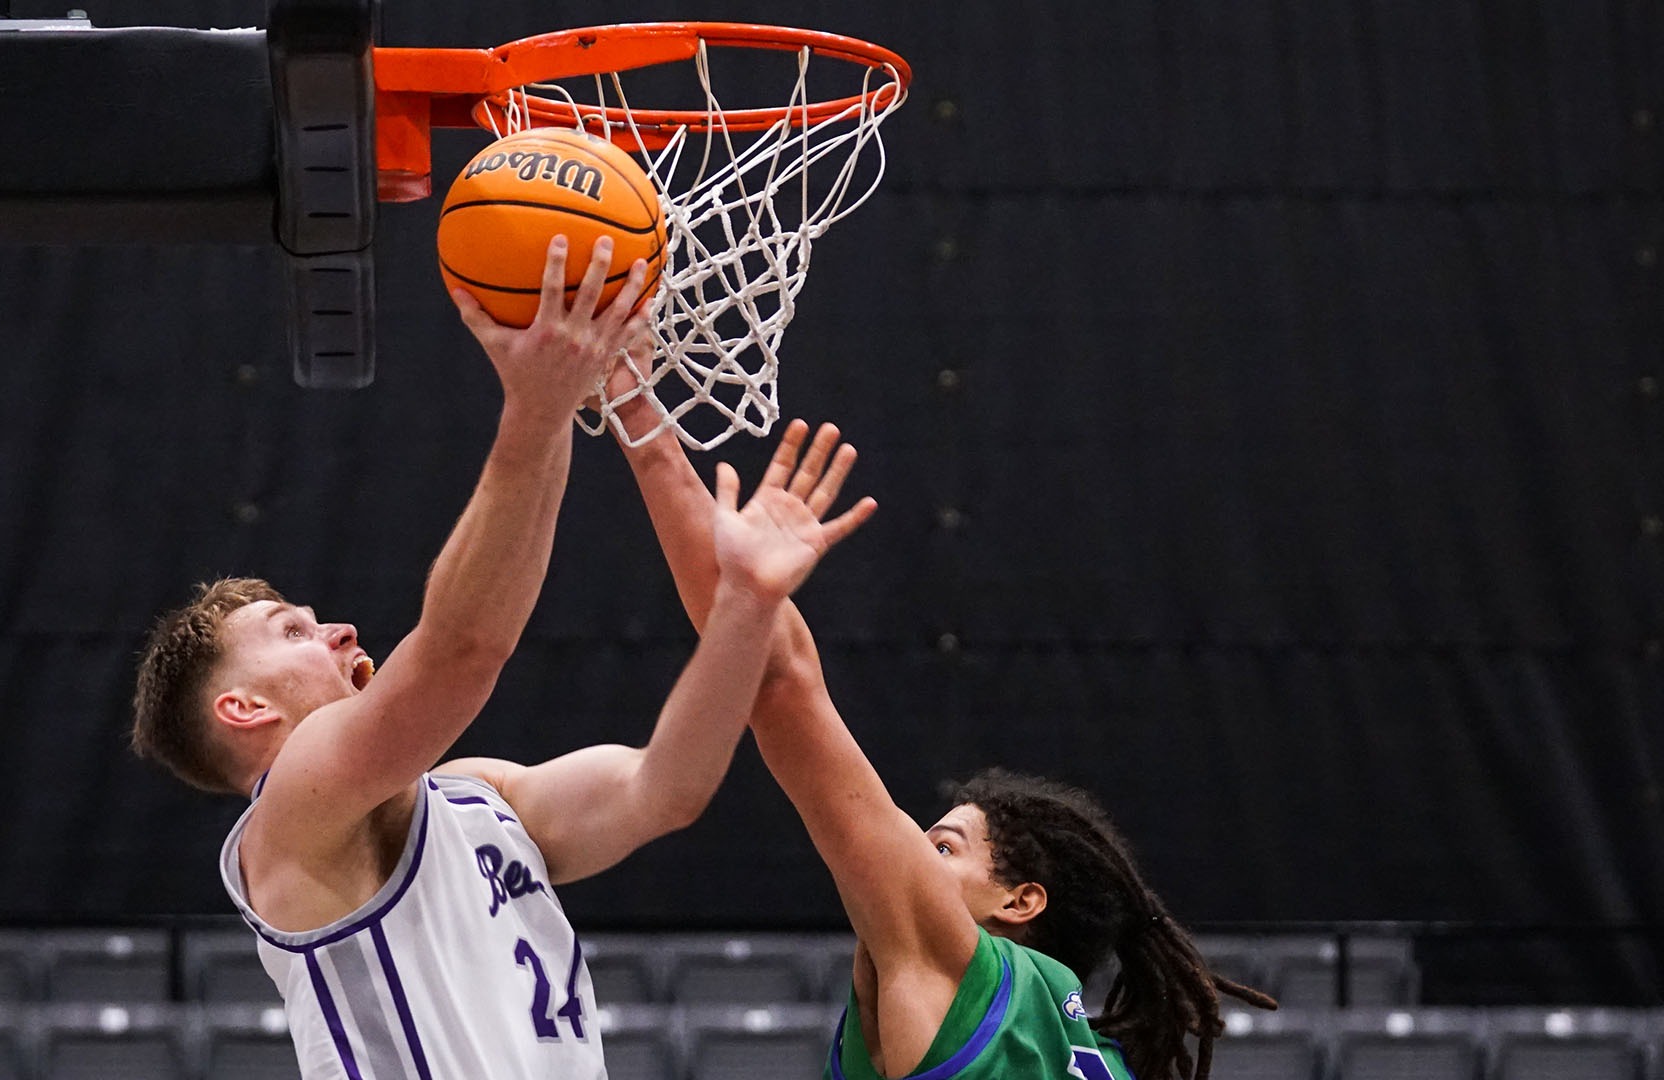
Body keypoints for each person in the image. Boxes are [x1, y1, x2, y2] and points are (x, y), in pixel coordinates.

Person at [129, 238, 877, 1080]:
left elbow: (666, 788)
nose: (338, 631)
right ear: (245, 710)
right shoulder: (291, 813)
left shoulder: (482, 799)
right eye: (293, 632)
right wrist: (540, 405)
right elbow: (460, 652)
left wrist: (745, 604)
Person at [607, 390, 1275, 1080]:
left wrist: (637, 414)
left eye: (943, 847)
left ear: (1019, 902)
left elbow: (779, 684)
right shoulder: (1100, 1059)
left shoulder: (969, 975)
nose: (907, 851)